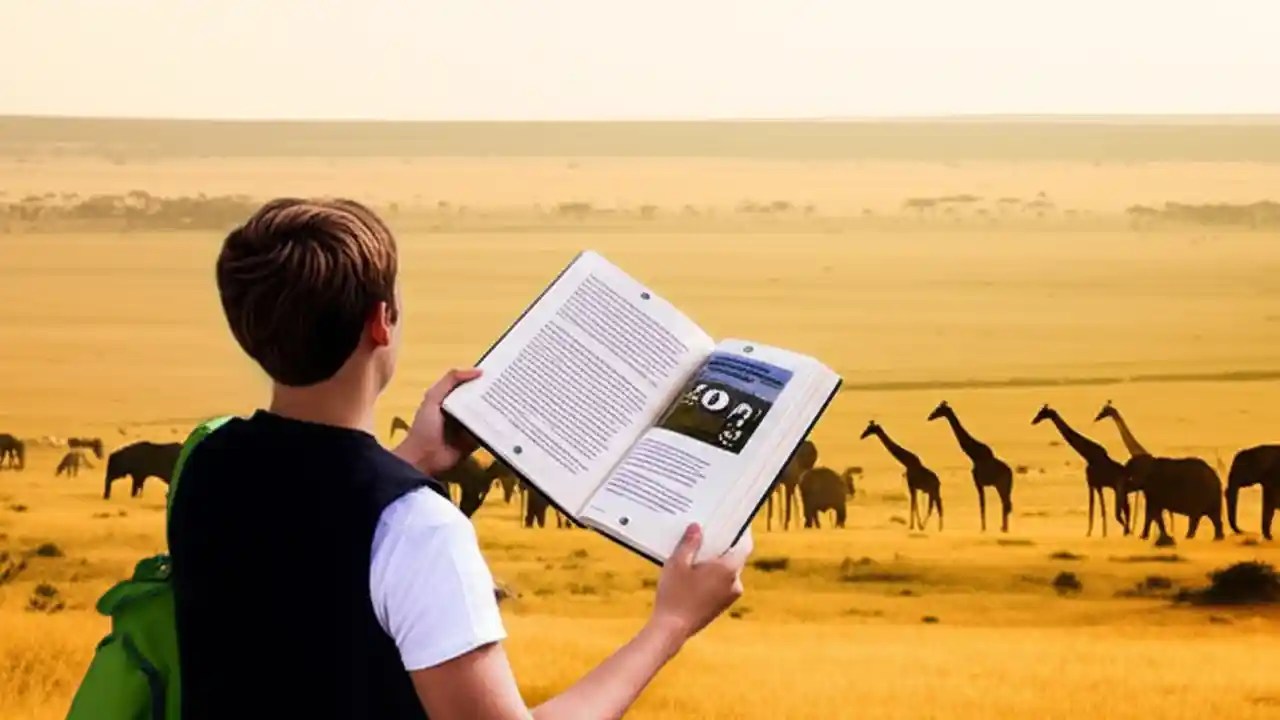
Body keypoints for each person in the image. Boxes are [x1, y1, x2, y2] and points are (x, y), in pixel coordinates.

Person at [169, 197, 750, 719]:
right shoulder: (419, 530)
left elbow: (303, 551)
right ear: (381, 321)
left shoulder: (209, 464)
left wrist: (412, 458)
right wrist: (670, 625)